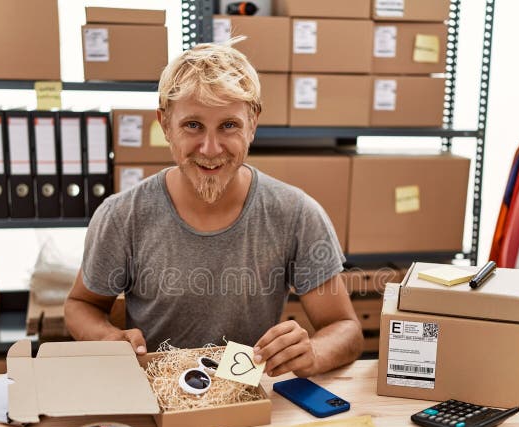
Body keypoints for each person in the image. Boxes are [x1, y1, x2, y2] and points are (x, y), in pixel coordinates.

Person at [65, 39, 362, 377]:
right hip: (156, 399)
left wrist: (315, 352)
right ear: (165, 124)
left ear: (252, 124)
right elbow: (80, 305)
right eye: (193, 125)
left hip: (250, 400)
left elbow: (345, 327)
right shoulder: (122, 216)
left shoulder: (296, 214)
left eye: (229, 125)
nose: (209, 148)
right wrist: (107, 337)